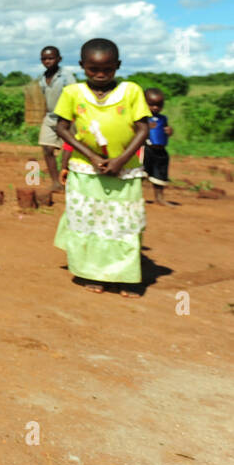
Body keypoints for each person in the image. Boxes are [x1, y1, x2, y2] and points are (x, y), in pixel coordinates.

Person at [53, 38, 150, 297]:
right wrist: (93, 157)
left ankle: (126, 278)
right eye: (93, 69)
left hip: (125, 171)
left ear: (117, 66)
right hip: (86, 171)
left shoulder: (131, 91)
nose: (100, 75)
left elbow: (143, 128)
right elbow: (62, 127)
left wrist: (121, 160)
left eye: (107, 69)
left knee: (124, 224)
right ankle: (90, 272)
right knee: (90, 222)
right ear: (82, 66)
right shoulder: (73, 93)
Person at [36, 46, 76, 191]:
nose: (47, 61)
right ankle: (55, 182)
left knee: (69, 151)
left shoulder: (66, 76)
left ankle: (66, 180)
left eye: (51, 58)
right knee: (47, 148)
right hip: (50, 117)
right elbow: (46, 98)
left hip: (66, 117)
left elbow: (74, 94)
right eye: (44, 59)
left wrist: (73, 117)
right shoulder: (42, 77)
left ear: (59, 59)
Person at [142, 88, 175, 205]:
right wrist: (146, 127)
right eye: (151, 104)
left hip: (160, 150)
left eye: (159, 105)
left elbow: (165, 130)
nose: (155, 107)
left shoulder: (163, 118)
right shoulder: (142, 117)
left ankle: (159, 198)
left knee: (160, 174)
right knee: (141, 174)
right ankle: (138, 197)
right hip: (146, 149)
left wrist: (169, 131)